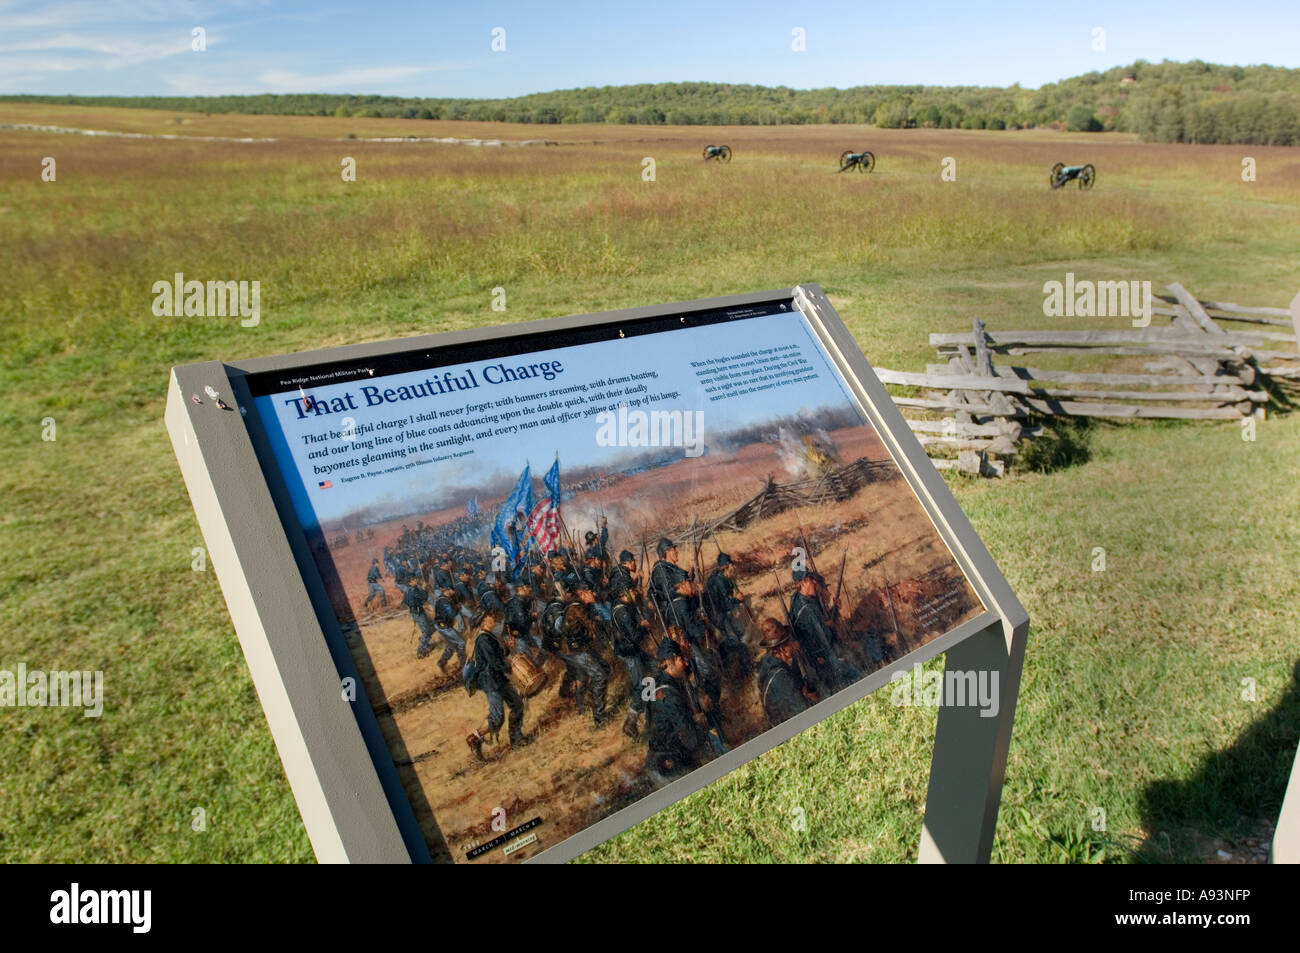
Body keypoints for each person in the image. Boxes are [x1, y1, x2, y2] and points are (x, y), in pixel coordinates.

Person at [464, 608, 527, 761]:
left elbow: (496, 656)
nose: (494, 620)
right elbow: (493, 662)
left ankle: (516, 738)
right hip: (490, 680)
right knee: (497, 717)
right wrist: (509, 666)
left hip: (497, 677)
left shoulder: (489, 636)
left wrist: (507, 648)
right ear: (484, 622)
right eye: (491, 618)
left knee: (517, 705)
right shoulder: (483, 639)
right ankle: (475, 737)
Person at [644, 639, 709, 787]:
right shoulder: (669, 696)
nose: (685, 664)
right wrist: (699, 723)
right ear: (670, 662)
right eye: (681, 660)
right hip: (670, 769)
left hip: (665, 757)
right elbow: (692, 740)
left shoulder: (660, 682)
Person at [756, 618, 819, 727]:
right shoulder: (779, 676)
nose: (795, 644)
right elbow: (803, 712)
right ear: (782, 649)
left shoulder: (773, 666)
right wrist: (813, 700)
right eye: (790, 642)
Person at [611, 587, 654, 739]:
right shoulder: (623, 612)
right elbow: (635, 636)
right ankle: (631, 721)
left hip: (632, 650)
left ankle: (651, 716)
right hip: (629, 653)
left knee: (654, 670)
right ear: (623, 594)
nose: (635, 593)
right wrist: (643, 627)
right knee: (642, 685)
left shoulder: (624, 607)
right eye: (632, 591)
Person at [705, 552, 752, 677]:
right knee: (735, 639)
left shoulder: (723, 577)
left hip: (723, 613)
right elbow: (725, 604)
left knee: (740, 632)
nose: (734, 567)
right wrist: (737, 599)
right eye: (731, 565)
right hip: (719, 616)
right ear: (726, 566)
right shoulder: (720, 582)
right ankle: (744, 669)